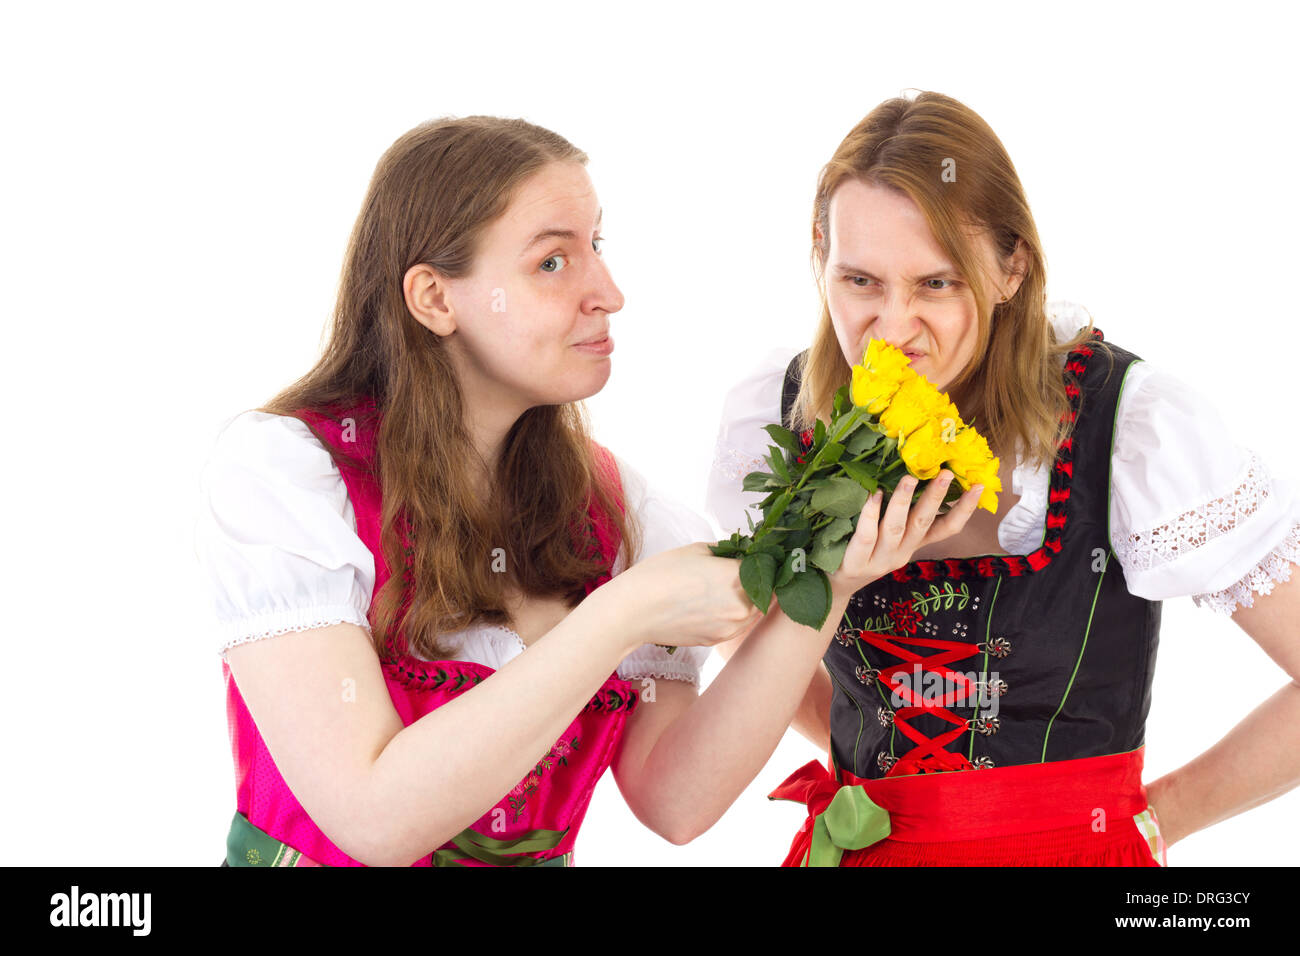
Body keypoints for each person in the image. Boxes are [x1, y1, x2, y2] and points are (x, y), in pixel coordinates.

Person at [194, 115, 984, 867]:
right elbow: (374, 819)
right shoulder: (293, 475)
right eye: (552, 261)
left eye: (597, 245)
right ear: (436, 299)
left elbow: (676, 802)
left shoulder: (613, 510)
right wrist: (622, 613)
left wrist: (834, 589)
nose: (607, 290)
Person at [706, 91, 1300, 866]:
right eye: (860, 282)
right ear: (822, 257)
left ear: (1011, 268)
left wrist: (1160, 817)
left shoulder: (1127, 427)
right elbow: (742, 626)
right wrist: (876, 756)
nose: (892, 326)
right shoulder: (782, 416)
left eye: (936, 284)